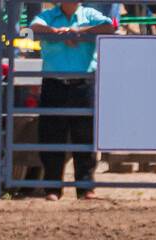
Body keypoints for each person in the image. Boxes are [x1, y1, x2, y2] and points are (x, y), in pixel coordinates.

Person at [30, 2, 117, 200]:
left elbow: (109, 26)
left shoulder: (89, 14)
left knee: (85, 137)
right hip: (55, 83)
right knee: (51, 137)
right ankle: (53, 188)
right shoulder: (49, 16)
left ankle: (85, 187)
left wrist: (77, 32)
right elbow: (33, 28)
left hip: (82, 84)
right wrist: (57, 32)